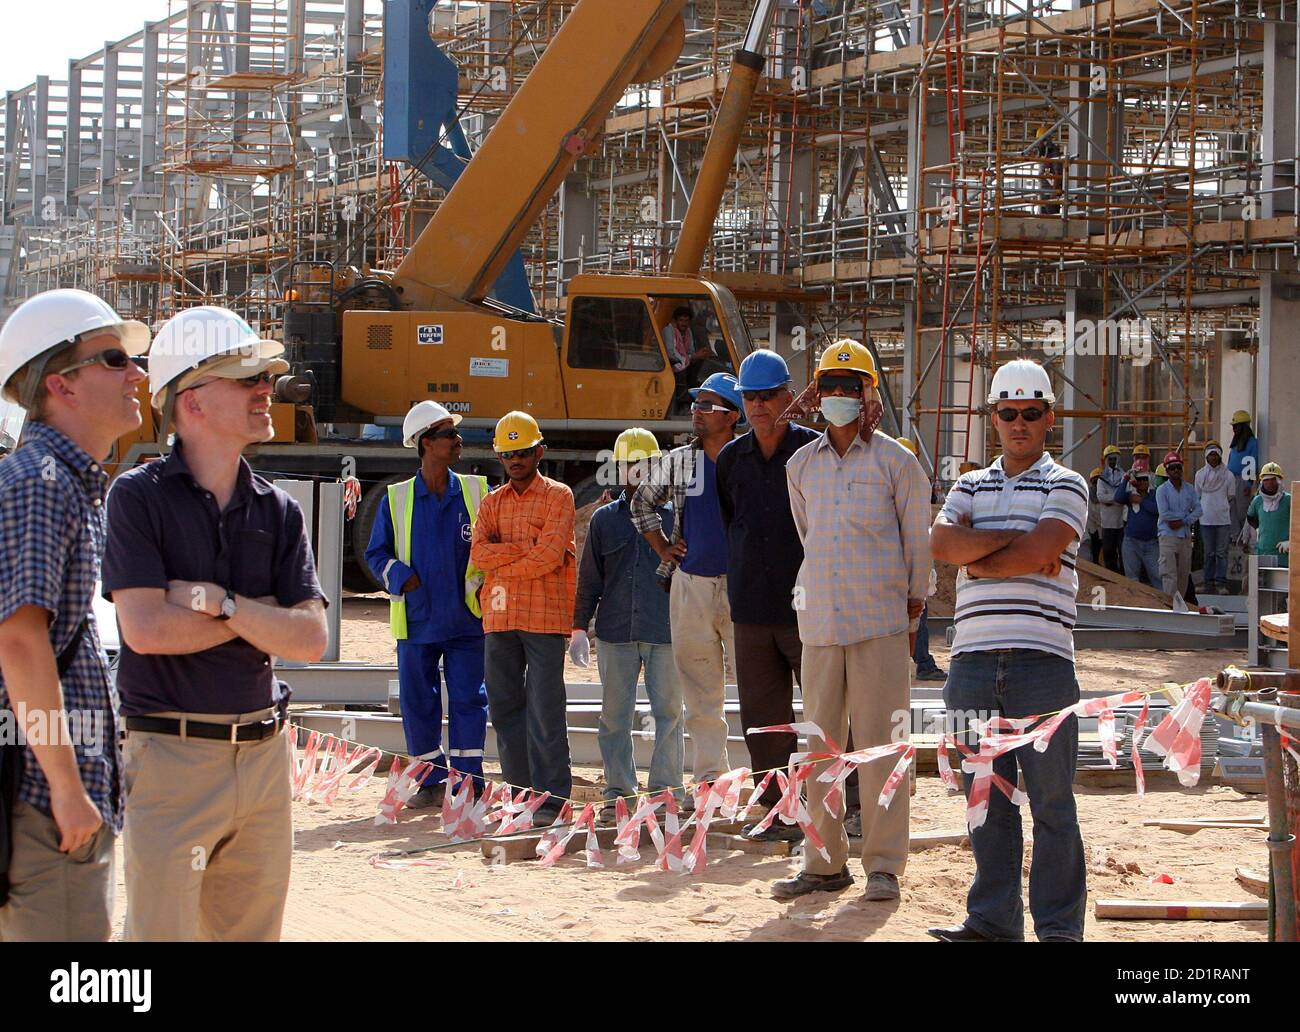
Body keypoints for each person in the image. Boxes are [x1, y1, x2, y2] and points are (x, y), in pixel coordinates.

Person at [105, 306, 328, 941]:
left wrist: (219, 603)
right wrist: (261, 618)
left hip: (261, 761)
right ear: (192, 400)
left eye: (264, 378)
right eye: (247, 379)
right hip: (171, 762)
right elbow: (146, 631)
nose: (267, 391)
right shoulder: (137, 498)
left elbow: (311, 639)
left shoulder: (278, 510)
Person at [0, 289, 149, 941]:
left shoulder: (61, 483)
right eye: (115, 359)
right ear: (60, 384)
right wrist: (64, 785)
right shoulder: (42, 484)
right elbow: (21, 643)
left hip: (53, 797)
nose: (137, 375)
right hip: (45, 805)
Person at [928, 358, 1091, 942]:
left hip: (1041, 664)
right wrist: (1012, 547)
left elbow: (1038, 547)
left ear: (1049, 417)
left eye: (1030, 412)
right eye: (1007, 413)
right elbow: (941, 543)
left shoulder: (1068, 484)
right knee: (986, 803)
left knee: (1052, 805)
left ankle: (1058, 929)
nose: (1018, 422)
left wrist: (980, 554)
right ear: (992, 417)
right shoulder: (969, 484)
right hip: (972, 664)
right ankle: (993, 923)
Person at [772, 340, 931, 903]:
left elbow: (918, 545)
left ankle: (883, 865)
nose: (840, 396)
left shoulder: (898, 462)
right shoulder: (800, 466)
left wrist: (913, 607)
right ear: (818, 395)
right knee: (820, 751)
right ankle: (823, 863)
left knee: (883, 749)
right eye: (831, 387)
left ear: (868, 395)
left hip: (880, 625)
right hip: (819, 628)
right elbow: (808, 539)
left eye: (851, 387)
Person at [715, 351, 818, 839]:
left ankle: (839, 808)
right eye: (748, 397)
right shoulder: (732, 460)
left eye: (766, 396)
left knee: (824, 712)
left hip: (807, 610)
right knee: (762, 719)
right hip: (752, 611)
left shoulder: (812, 455)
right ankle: (778, 812)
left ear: (788, 397)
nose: (757, 405)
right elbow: (729, 518)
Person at [365, 401, 488, 808]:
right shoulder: (396, 499)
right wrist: (400, 576)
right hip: (417, 622)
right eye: (449, 434)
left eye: (455, 434)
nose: (458, 441)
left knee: (470, 698)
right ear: (425, 443)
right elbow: (376, 554)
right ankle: (431, 778)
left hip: (466, 620)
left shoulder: (475, 491)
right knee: (419, 701)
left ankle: (469, 782)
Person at [632, 372, 742, 795]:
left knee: (755, 688)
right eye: (696, 405)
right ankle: (712, 779)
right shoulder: (681, 461)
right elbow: (642, 502)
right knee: (700, 690)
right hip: (691, 583)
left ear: (732, 416)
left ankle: (769, 781)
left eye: (707, 406)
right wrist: (662, 547)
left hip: (742, 587)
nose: (696, 412)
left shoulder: (748, 458)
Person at [470, 411, 576, 825]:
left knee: (546, 708)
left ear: (539, 452)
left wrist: (503, 559)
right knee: (505, 707)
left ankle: (552, 799)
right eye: (508, 453)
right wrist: (524, 551)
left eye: (522, 452)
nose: (515, 459)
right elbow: (479, 555)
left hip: (545, 617)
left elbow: (551, 556)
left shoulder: (559, 496)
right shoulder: (491, 502)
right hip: (499, 617)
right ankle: (520, 794)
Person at [572, 428, 682, 819]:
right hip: (616, 633)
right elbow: (590, 578)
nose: (636, 472)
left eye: (645, 465)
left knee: (669, 714)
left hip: (665, 632)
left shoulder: (675, 516)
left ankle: (665, 794)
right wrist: (579, 627)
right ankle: (618, 792)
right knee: (613, 717)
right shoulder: (605, 520)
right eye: (628, 465)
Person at [897, 437, 946, 682]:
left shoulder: (907, 483)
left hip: (908, 565)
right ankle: (923, 664)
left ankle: (919, 661)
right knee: (918, 618)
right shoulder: (909, 483)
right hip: (906, 568)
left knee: (917, 619)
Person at [1154, 451, 1201, 600]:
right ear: (1167, 471)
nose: (1175, 470)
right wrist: (1185, 516)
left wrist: (1183, 521)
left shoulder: (1190, 489)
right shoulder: (1162, 491)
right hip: (1168, 537)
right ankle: (1169, 609)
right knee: (1169, 574)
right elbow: (1164, 514)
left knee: (1183, 574)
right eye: (1172, 468)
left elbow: (1199, 510)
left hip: (1185, 536)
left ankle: (1179, 606)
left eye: (1178, 467)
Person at [1194, 441, 1234, 594]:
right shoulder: (1199, 475)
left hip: (1223, 520)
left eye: (1215, 454)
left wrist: (1219, 505)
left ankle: (1221, 583)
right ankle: (1208, 582)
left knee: (1221, 553)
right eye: (1210, 455)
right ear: (1206, 457)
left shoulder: (1228, 475)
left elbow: (1231, 496)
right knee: (1209, 553)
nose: (1213, 458)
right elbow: (1197, 495)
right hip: (1205, 520)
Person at [1117, 469, 1160, 586]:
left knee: (1158, 577)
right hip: (1131, 543)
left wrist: (1141, 501)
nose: (1142, 482)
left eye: (1144, 479)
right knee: (1131, 579)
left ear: (1149, 480)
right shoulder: (1131, 495)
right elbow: (1118, 497)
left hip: (1151, 544)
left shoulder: (1155, 494)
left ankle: (1163, 604)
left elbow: (1157, 510)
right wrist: (1126, 478)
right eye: (1139, 480)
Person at [1246, 462, 1291, 568]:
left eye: (1273, 480)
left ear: (1279, 481)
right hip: (1263, 555)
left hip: (1283, 557)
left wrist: (1291, 542)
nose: (1270, 483)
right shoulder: (1257, 501)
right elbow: (1251, 518)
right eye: (1266, 480)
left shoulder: (1289, 500)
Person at [1095, 444, 1126, 573]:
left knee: (1124, 553)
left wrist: (1113, 499)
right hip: (1107, 523)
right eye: (1110, 459)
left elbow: (1125, 496)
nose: (1112, 462)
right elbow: (1101, 497)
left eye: (1114, 459)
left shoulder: (1124, 476)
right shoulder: (1102, 478)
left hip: (1122, 522)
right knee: (1109, 552)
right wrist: (1117, 498)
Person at [1084, 466, 1103, 564]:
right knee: (1094, 548)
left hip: (1106, 527)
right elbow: (1090, 514)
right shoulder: (1088, 495)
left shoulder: (1106, 494)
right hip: (1093, 527)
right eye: (1095, 482)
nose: (1097, 484)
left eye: (1099, 481)